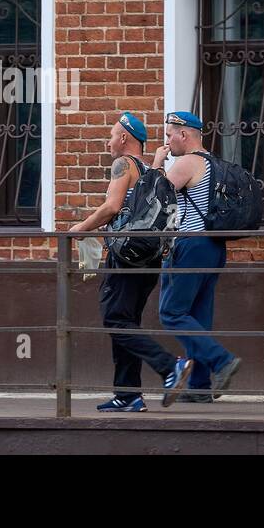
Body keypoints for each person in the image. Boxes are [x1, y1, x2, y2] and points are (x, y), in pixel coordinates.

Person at [70, 113, 177, 412]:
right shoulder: (149, 169)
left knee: (115, 318)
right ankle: (127, 394)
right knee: (126, 321)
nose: (108, 142)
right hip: (150, 258)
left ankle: (170, 367)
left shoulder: (124, 165)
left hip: (126, 255)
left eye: (112, 135)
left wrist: (81, 228)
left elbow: (112, 206)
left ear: (124, 138)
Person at [154, 111, 241, 407]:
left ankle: (222, 360)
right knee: (199, 317)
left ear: (184, 133)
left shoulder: (187, 162)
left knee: (172, 312)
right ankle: (200, 387)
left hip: (191, 244)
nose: (167, 141)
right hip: (214, 246)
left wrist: (156, 165)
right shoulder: (213, 162)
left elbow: (156, 196)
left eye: (169, 134)